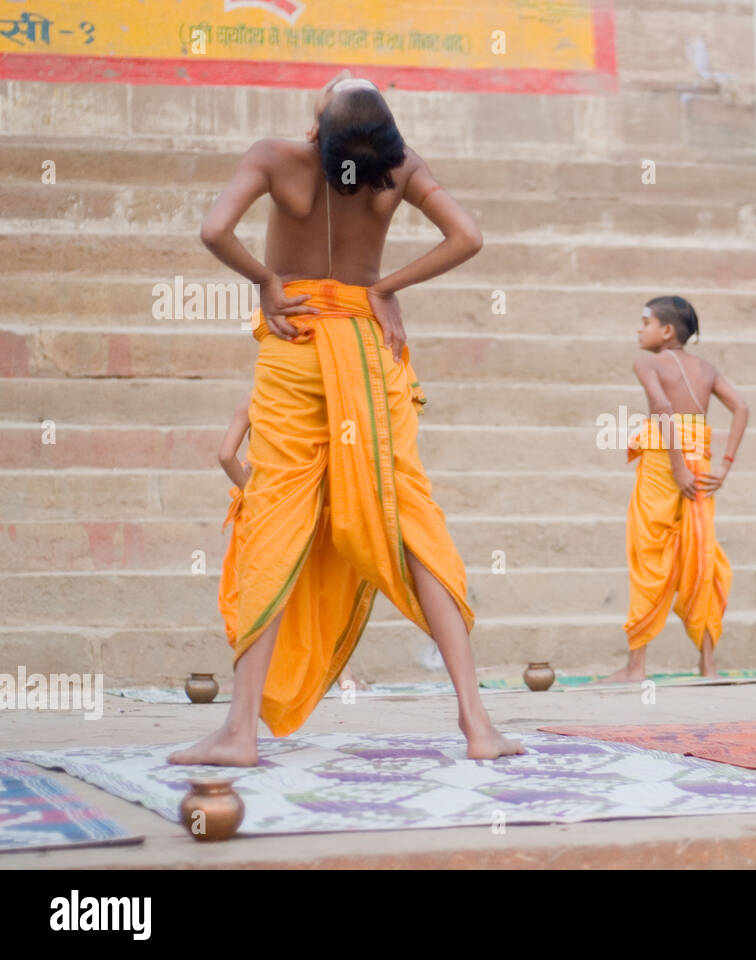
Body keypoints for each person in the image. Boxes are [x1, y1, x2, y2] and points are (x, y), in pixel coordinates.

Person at [168, 71, 521, 765]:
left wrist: (267, 282)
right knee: (406, 514)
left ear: (319, 127)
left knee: (273, 518)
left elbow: (215, 230)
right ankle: (478, 725)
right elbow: (469, 236)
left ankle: (239, 734)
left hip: (294, 348)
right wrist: (383, 287)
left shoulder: (275, 156)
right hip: (368, 349)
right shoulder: (401, 168)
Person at [601, 297, 748, 682]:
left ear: (666, 331)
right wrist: (725, 466)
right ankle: (708, 665)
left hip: (668, 466)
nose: (639, 329)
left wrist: (678, 465)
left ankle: (637, 667)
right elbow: (742, 408)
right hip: (699, 466)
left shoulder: (647, 362)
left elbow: (663, 407)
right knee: (701, 556)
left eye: (645, 322)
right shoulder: (707, 368)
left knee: (648, 552)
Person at [216, 389, 379, 692]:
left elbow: (226, 455)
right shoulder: (321, 397)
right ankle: (342, 676)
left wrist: (248, 490)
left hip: (264, 509)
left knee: (257, 591)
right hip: (311, 506)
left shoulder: (252, 399)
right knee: (319, 590)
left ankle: (249, 677)